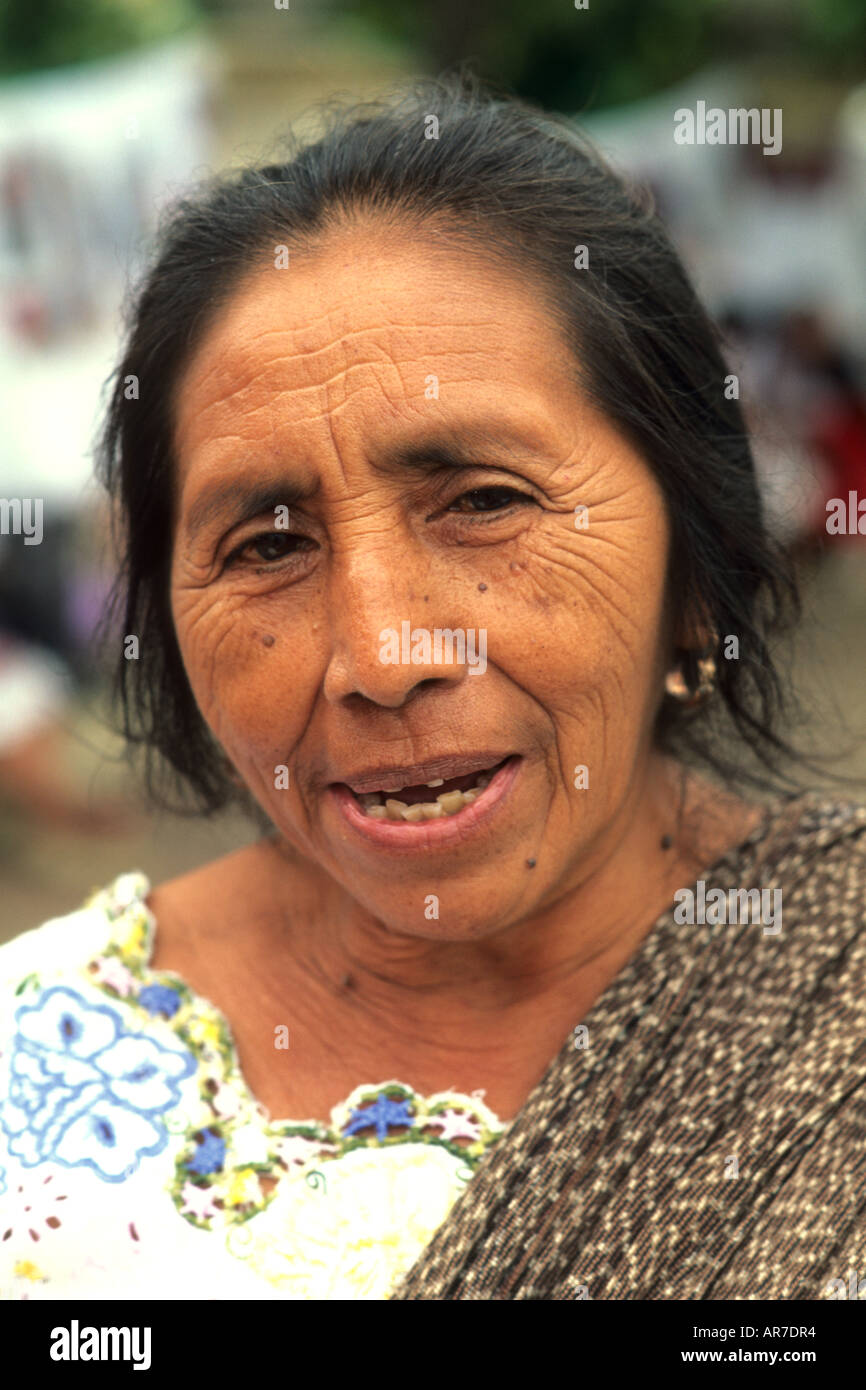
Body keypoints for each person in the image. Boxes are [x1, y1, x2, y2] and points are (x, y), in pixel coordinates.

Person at [1, 71, 864, 1302]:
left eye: (482, 504)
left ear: (693, 559)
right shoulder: (35, 1065)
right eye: (267, 544)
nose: (382, 657)